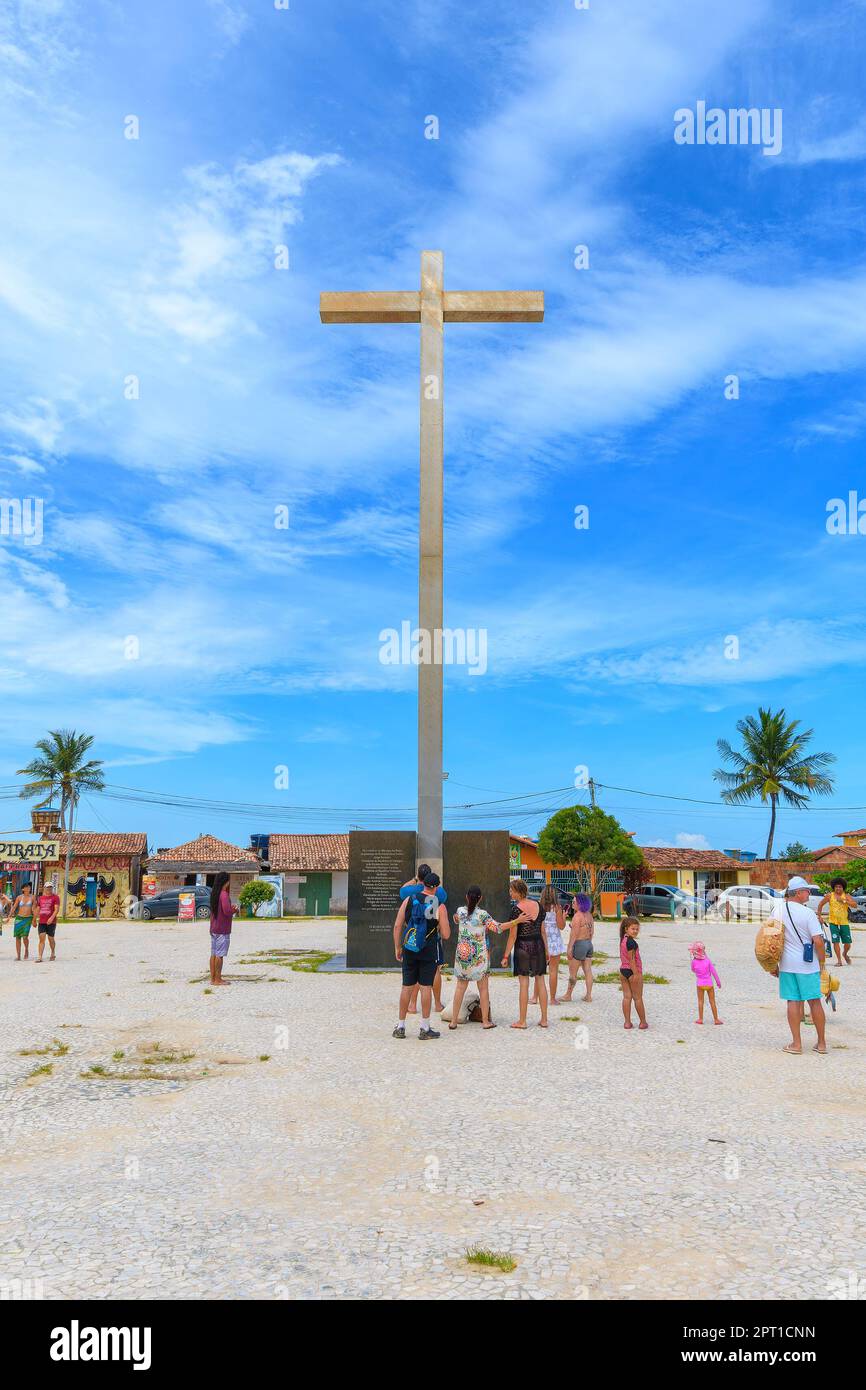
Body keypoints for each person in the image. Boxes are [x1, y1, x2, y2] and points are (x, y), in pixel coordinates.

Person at [772, 877, 827, 1055]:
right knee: (815, 1002)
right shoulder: (808, 913)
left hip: (787, 965)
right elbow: (818, 941)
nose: (809, 893)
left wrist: (772, 964)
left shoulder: (777, 910)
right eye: (806, 890)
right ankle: (821, 1043)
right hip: (808, 965)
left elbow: (770, 938)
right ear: (797, 893)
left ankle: (796, 1044)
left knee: (793, 1002)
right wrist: (822, 963)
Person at [393, 872, 450, 1039]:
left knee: (406, 987)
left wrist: (398, 947)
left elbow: (397, 926)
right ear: (437, 887)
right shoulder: (439, 906)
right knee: (426, 987)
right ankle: (425, 1028)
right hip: (428, 949)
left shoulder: (409, 900)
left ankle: (401, 1026)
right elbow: (446, 934)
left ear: (423, 884)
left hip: (410, 948)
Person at [449, 885, 500, 1030]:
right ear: (480, 898)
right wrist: (516, 921)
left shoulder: (460, 911)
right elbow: (498, 928)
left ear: (466, 896)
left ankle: (453, 1021)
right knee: (483, 989)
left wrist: (455, 917)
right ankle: (485, 1021)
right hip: (479, 957)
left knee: (460, 988)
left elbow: (456, 918)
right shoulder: (483, 915)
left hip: (463, 956)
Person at [501, 879, 548, 1029]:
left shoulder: (516, 909)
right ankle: (544, 1019)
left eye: (511, 890)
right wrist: (546, 950)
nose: (510, 892)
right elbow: (542, 930)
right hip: (539, 945)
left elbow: (512, 936)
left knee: (524, 984)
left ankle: (522, 1021)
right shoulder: (539, 906)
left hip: (522, 946)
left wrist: (505, 955)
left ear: (518, 891)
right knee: (540, 981)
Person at [532, 885, 566, 1006]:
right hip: (555, 942)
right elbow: (561, 926)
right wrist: (563, 917)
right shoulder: (557, 908)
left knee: (539, 971)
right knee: (553, 971)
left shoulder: (538, 908)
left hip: (541, 941)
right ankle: (552, 998)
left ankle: (535, 997)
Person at [817, 877, 856, 967]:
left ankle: (845, 954)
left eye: (840, 887)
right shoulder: (830, 896)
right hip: (833, 922)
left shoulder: (846, 896)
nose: (838, 888)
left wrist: (844, 901)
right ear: (834, 887)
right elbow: (820, 904)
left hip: (844, 923)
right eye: (836, 887)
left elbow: (855, 905)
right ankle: (839, 961)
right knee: (836, 941)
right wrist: (820, 916)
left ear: (843, 888)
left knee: (847, 943)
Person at [563, 892, 595, 1003]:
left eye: (574, 901)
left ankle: (568, 995)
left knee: (573, 972)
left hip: (579, 944)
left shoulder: (577, 916)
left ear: (580, 903)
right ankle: (589, 995)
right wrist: (588, 943)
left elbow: (574, 935)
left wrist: (569, 948)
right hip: (588, 944)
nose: (572, 903)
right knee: (588, 971)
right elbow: (591, 932)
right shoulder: (589, 915)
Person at [208, 871, 237, 986]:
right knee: (220, 955)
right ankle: (218, 980)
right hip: (222, 928)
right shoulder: (224, 894)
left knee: (213, 954)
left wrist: (210, 927)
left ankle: (213, 978)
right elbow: (227, 911)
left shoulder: (215, 894)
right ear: (226, 882)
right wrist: (234, 910)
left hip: (214, 927)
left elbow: (214, 912)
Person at [619, 916, 647, 1030]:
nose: (635, 931)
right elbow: (632, 960)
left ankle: (627, 1022)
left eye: (637, 929)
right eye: (633, 929)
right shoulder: (631, 943)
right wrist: (636, 974)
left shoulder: (623, 939)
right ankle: (643, 1022)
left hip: (623, 971)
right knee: (638, 998)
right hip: (632, 971)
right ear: (626, 929)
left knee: (626, 997)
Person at [689, 940, 722, 1024]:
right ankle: (716, 1019)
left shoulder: (693, 962)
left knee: (700, 1001)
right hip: (709, 984)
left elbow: (693, 970)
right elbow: (714, 972)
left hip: (700, 984)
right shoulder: (708, 961)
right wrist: (718, 982)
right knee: (712, 1001)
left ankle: (700, 1019)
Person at [35, 880, 61, 962]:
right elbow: (38, 909)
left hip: (51, 922)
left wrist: (51, 918)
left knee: (51, 938)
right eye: (47, 887)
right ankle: (40, 957)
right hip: (42, 921)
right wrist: (34, 919)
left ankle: (53, 952)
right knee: (41, 939)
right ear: (44, 888)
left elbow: (56, 910)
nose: (49, 889)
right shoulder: (41, 898)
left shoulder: (55, 897)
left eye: (50, 887)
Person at [11, 880, 37, 960]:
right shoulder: (19, 897)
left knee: (25, 936)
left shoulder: (32, 897)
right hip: (19, 918)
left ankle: (26, 949)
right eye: (26, 887)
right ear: (23, 889)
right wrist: (9, 916)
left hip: (28, 918)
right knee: (17, 937)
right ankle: (18, 956)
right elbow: (14, 907)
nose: (28, 888)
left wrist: (34, 919)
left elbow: (34, 909)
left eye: (29, 887)